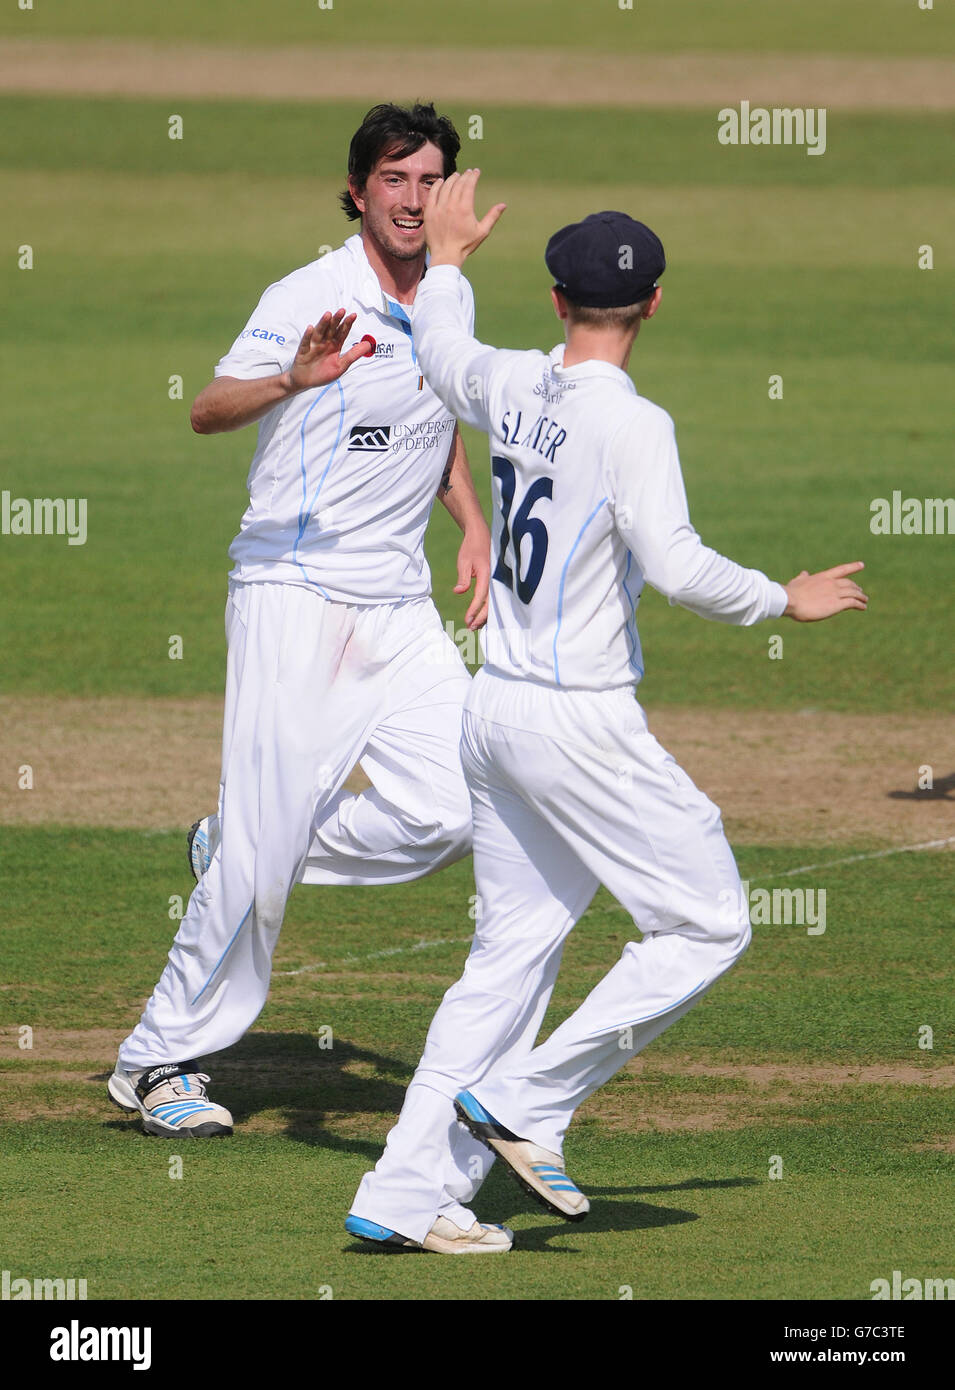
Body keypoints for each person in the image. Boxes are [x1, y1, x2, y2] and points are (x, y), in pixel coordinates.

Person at [345, 172, 868, 1254]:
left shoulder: (509, 383)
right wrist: (786, 595)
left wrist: (444, 263)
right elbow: (673, 567)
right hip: (577, 725)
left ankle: (404, 1197)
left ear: (554, 301)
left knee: (506, 960)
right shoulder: (635, 423)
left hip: (493, 713)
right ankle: (531, 1106)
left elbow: (441, 352)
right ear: (655, 306)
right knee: (710, 920)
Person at [107, 108, 493, 1165]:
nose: (413, 198)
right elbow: (207, 408)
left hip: (396, 602)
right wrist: (294, 379)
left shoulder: (445, 294)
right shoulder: (307, 294)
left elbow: (436, 408)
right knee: (262, 842)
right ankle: (155, 1060)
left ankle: (243, 846)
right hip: (292, 586)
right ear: (358, 189)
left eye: (429, 178)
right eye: (393, 179)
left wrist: (470, 524)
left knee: (465, 801)